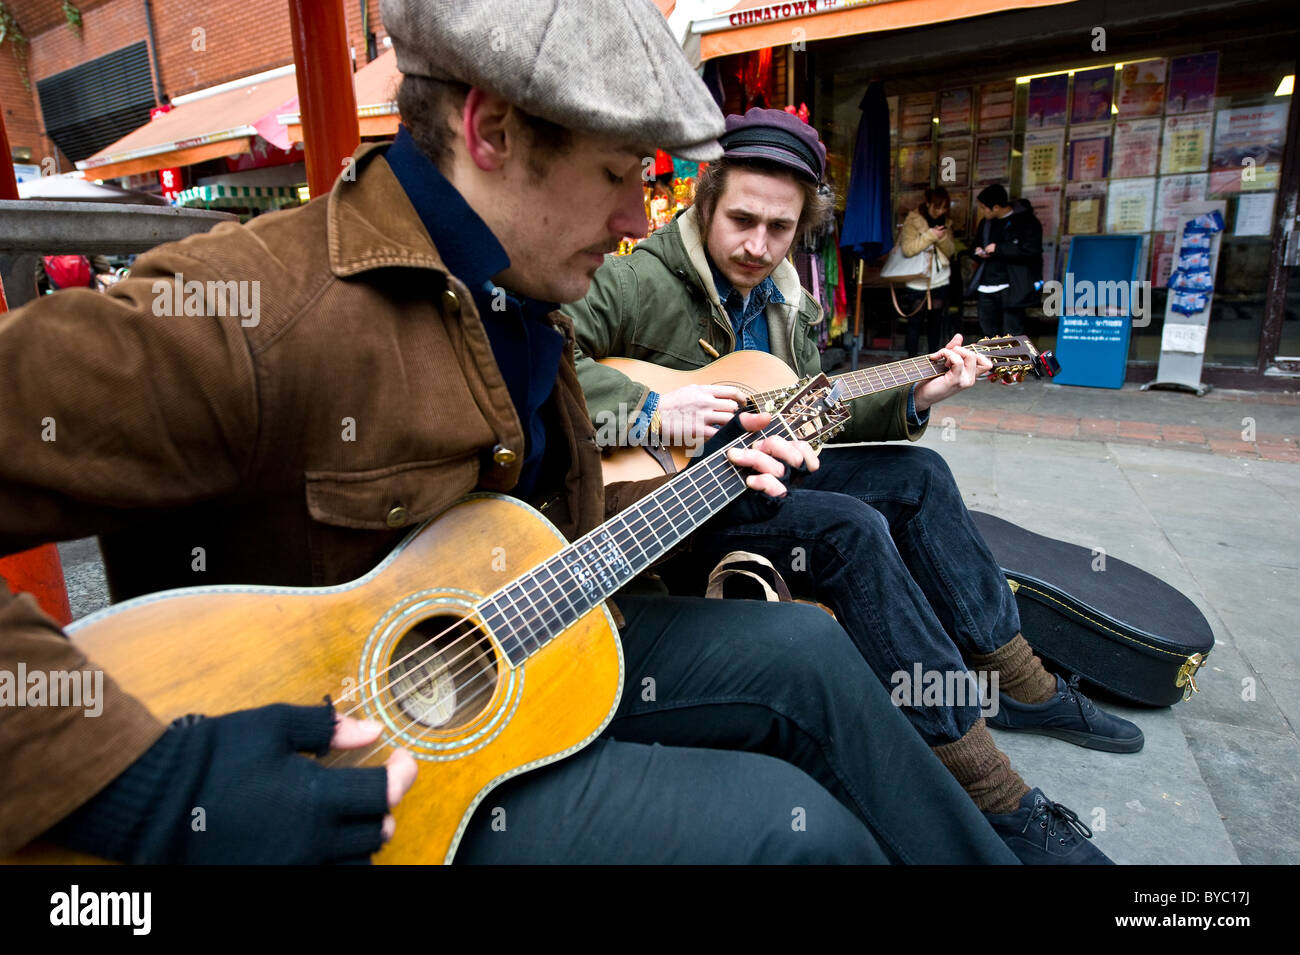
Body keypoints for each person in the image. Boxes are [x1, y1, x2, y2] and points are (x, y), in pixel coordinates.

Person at [0, 0, 1018, 865]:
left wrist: (699, 482)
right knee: (789, 836)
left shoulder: (521, 290)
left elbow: (514, 536)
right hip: (368, 765)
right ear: (490, 132)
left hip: (526, 646)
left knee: (803, 649)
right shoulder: (252, 312)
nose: (635, 217)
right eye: (619, 171)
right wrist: (144, 778)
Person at [565, 108, 1143, 864]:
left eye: (780, 229)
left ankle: (1023, 683)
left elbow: (808, 405)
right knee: (849, 528)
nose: (757, 245)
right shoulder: (636, 278)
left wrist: (917, 394)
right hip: (666, 503)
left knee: (920, 475)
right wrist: (648, 409)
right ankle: (993, 792)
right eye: (741, 219)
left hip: (766, 475)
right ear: (706, 200)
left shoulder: (787, 297)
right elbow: (541, 363)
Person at [967, 183, 1043, 338]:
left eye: (983, 208)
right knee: (987, 336)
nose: (981, 212)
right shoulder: (985, 223)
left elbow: (1032, 251)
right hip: (985, 286)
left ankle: (1012, 363)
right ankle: (989, 363)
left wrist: (999, 249)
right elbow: (974, 247)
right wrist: (977, 252)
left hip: (1012, 286)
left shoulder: (1027, 221)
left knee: (1012, 335)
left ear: (995, 207)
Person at [896, 186, 956, 357]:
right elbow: (908, 249)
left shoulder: (947, 221)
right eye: (937, 207)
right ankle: (911, 361)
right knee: (914, 322)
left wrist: (942, 237)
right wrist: (930, 235)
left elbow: (950, 251)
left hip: (940, 278)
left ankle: (935, 360)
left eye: (944, 207)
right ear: (928, 203)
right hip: (917, 279)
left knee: (936, 322)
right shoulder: (913, 219)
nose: (941, 211)